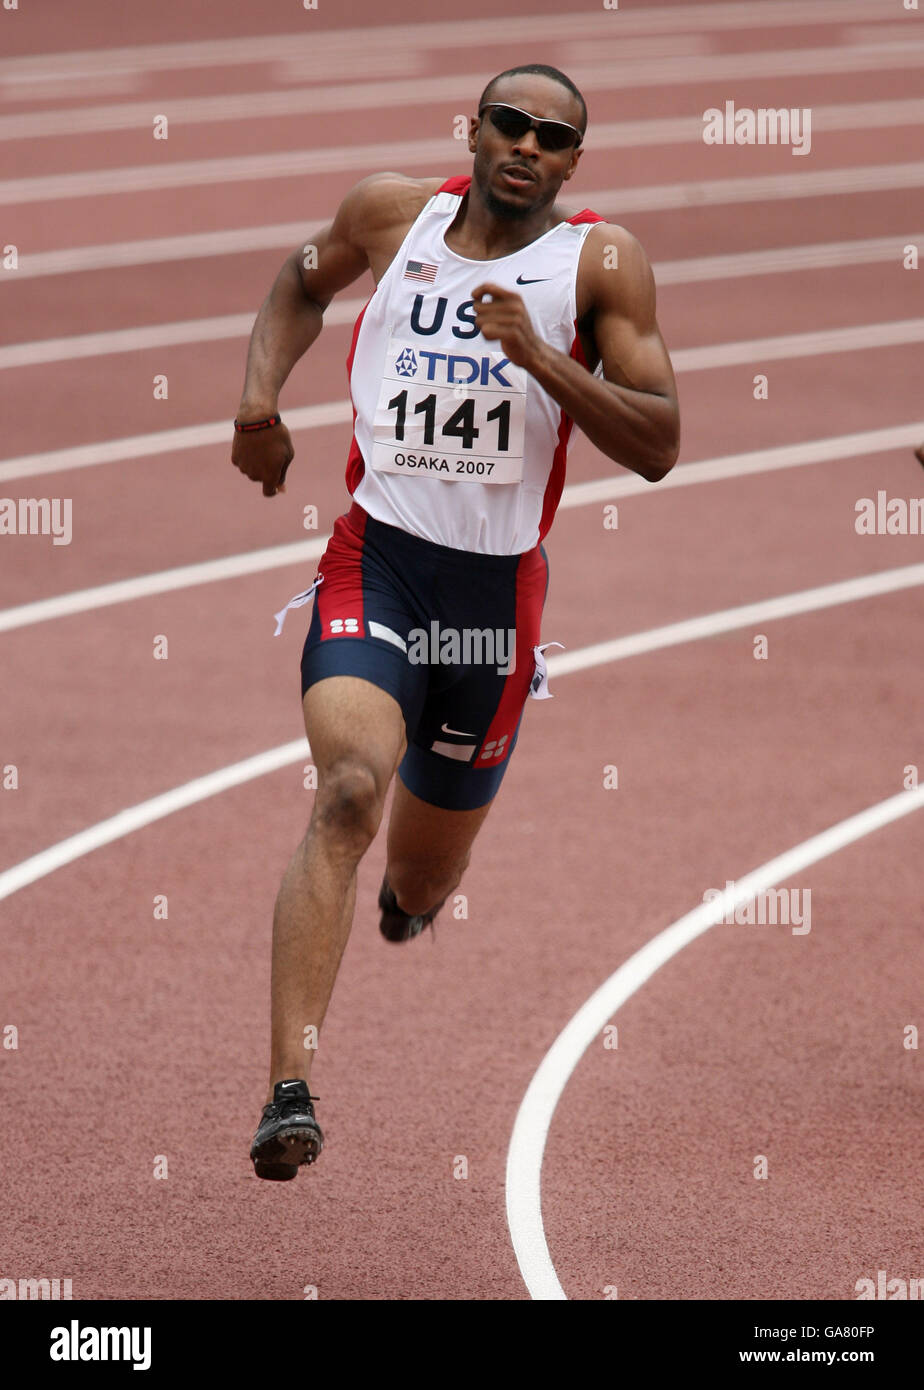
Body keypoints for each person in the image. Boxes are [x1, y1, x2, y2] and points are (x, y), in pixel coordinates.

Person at [232, 64, 680, 1180]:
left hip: (494, 608)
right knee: (346, 792)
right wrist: (256, 402)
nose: (526, 144)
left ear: (574, 162)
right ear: (472, 130)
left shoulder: (601, 264)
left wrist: (539, 357)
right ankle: (291, 1088)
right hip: (378, 565)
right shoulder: (393, 215)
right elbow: (300, 284)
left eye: (553, 135)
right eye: (510, 123)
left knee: (425, 875)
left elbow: (662, 441)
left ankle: (406, 898)